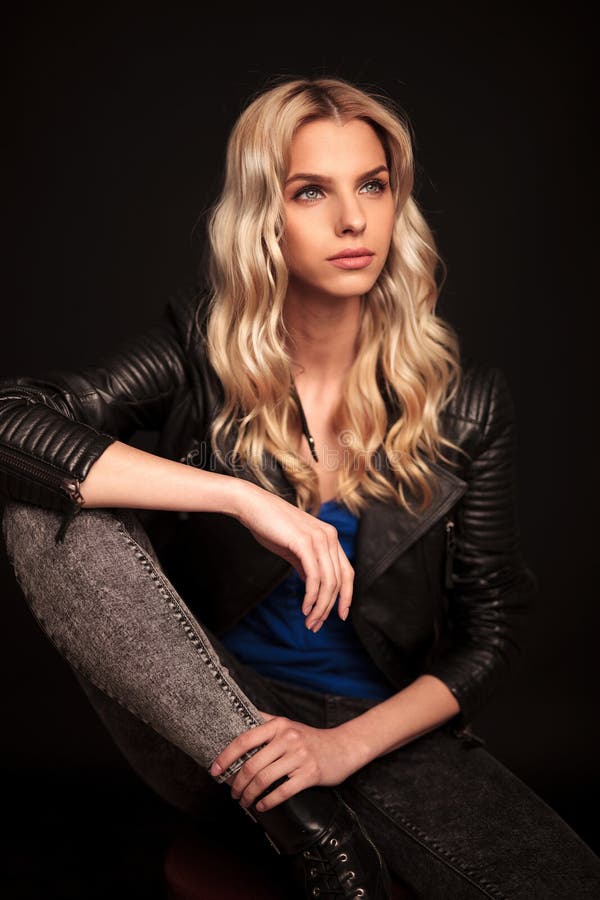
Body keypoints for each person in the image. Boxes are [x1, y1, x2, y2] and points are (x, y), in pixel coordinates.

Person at [1, 75, 598, 900]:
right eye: (310, 190)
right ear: (263, 216)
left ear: (397, 203)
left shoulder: (465, 405)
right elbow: (13, 422)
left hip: (373, 733)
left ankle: (313, 812)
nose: (352, 220)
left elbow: (491, 633)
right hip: (205, 716)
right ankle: (309, 828)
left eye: (373, 186)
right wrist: (245, 498)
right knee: (48, 506)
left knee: (562, 884)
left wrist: (340, 750)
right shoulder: (199, 352)